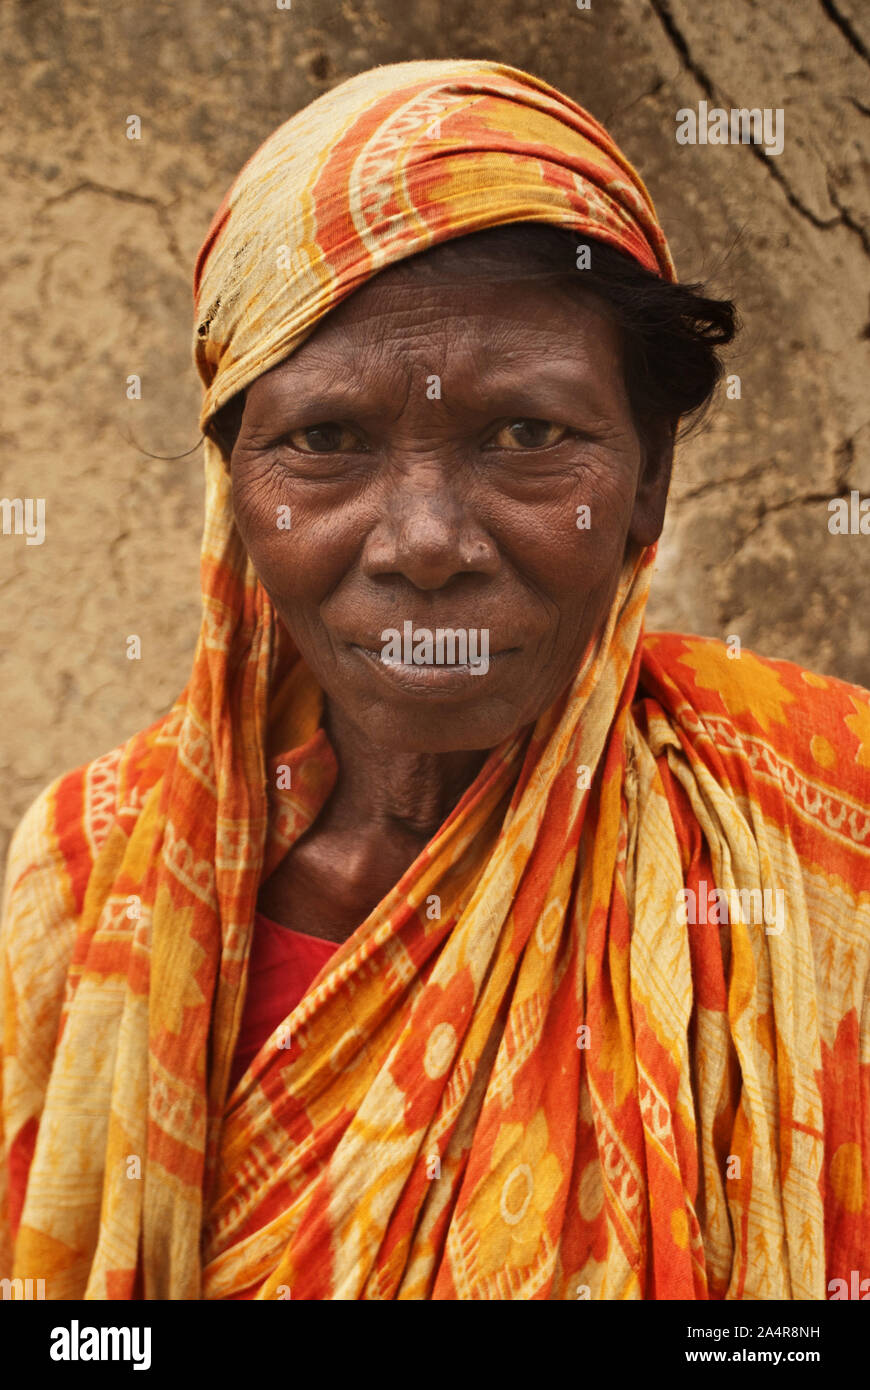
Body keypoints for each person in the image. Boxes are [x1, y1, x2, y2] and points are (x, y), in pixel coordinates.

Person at [1, 58, 867, 1301]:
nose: (422, 543)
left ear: (651, 475)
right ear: (233, 487)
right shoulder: (89, 877)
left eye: (526, 435)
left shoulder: (826, 828)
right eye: (325, 441)